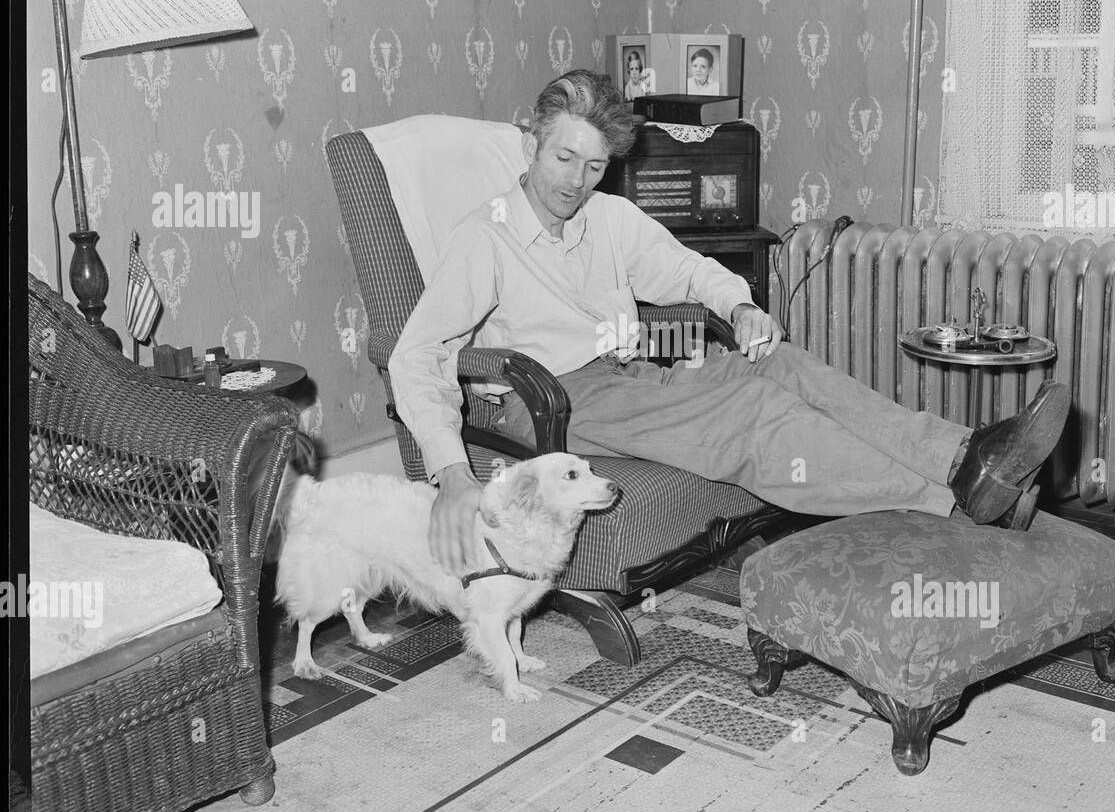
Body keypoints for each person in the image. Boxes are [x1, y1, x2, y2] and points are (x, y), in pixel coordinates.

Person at [390, 70, 1070, 575]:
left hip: (631, 375)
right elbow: (414, 357)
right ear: (531, 142)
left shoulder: (608, 218)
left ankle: (965, 457)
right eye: (563, 158)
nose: (575, 180)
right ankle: (950, 506)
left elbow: (688, 270)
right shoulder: (486, 237)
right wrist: (451, 474)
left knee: (778, 362)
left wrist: (739, 307)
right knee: (753, 413)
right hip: (555, 400)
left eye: (594, 166)